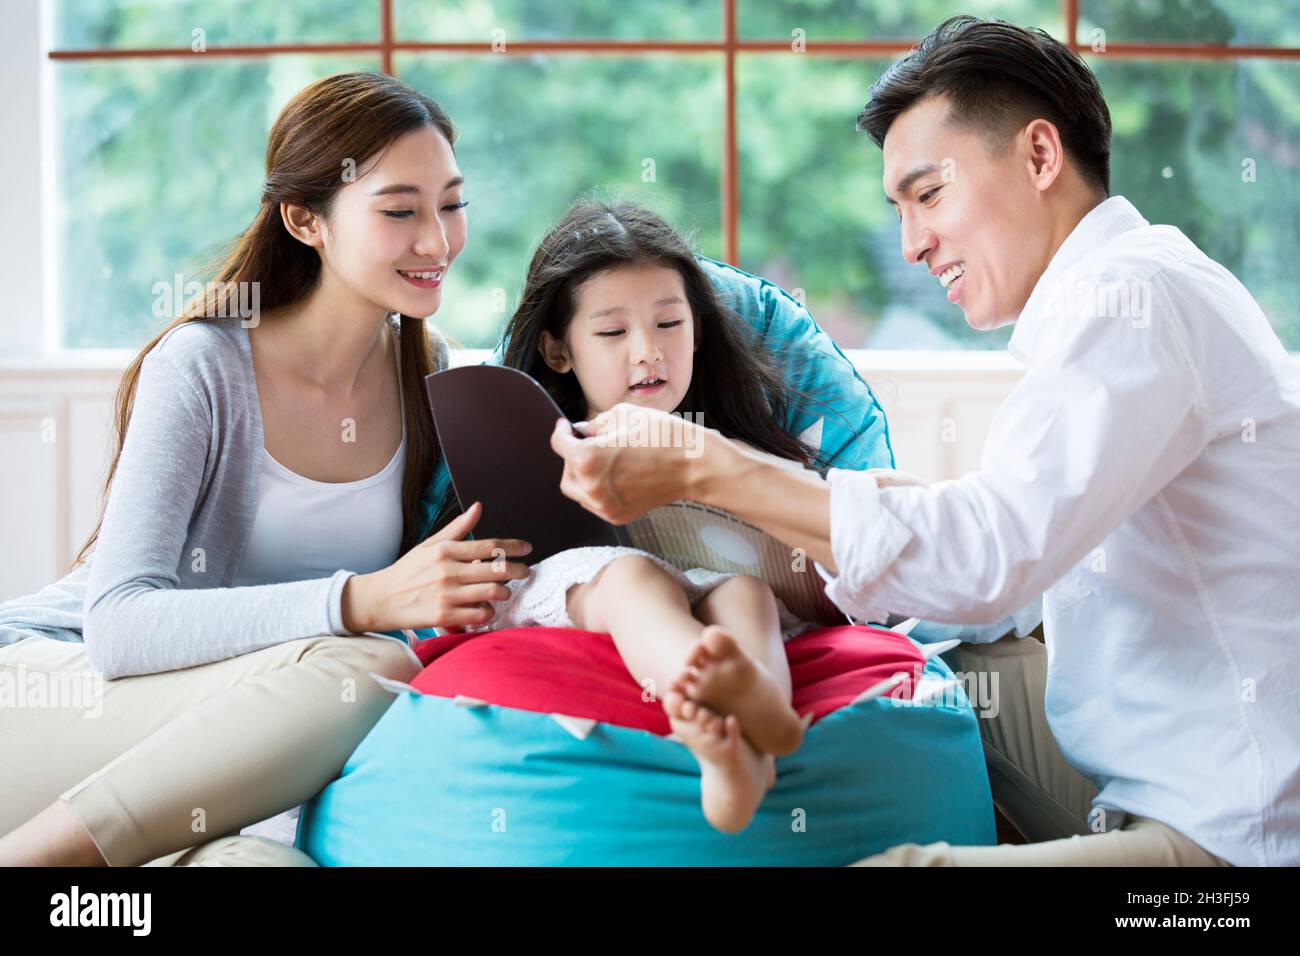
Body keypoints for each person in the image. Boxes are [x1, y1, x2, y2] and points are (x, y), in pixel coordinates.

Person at [547, 16, 1300, 866]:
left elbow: (992, 554)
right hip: (1166, 768)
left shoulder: (1132, 303)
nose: (911, 245)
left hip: (1236, 836)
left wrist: (704, 466)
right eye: (899, 211)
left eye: (929, 195)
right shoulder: (1120, 294)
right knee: (955, 659)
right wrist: (792, 557)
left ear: (1040, 156)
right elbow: (997, 555)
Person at [0, 72, 532, 866]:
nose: (437, 241)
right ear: (304, 220)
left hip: (221, 753)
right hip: (54, 698)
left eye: (451, 204)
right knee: (368, 666)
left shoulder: (431, 374)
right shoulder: (203, 365)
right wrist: (364, 599)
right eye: (399, 211)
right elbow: (117, 625)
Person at [486, 200, 827, 832]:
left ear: (697, 328)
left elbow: (811, 524)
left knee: (747, 593)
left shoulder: (726, 449)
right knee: (633, 578)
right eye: (613, 334)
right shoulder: (547, 445)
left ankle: (754, 740)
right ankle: (700, 699)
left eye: (669, 324)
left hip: (702, 577)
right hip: (582, 581)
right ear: (559, 351)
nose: (648, 353)